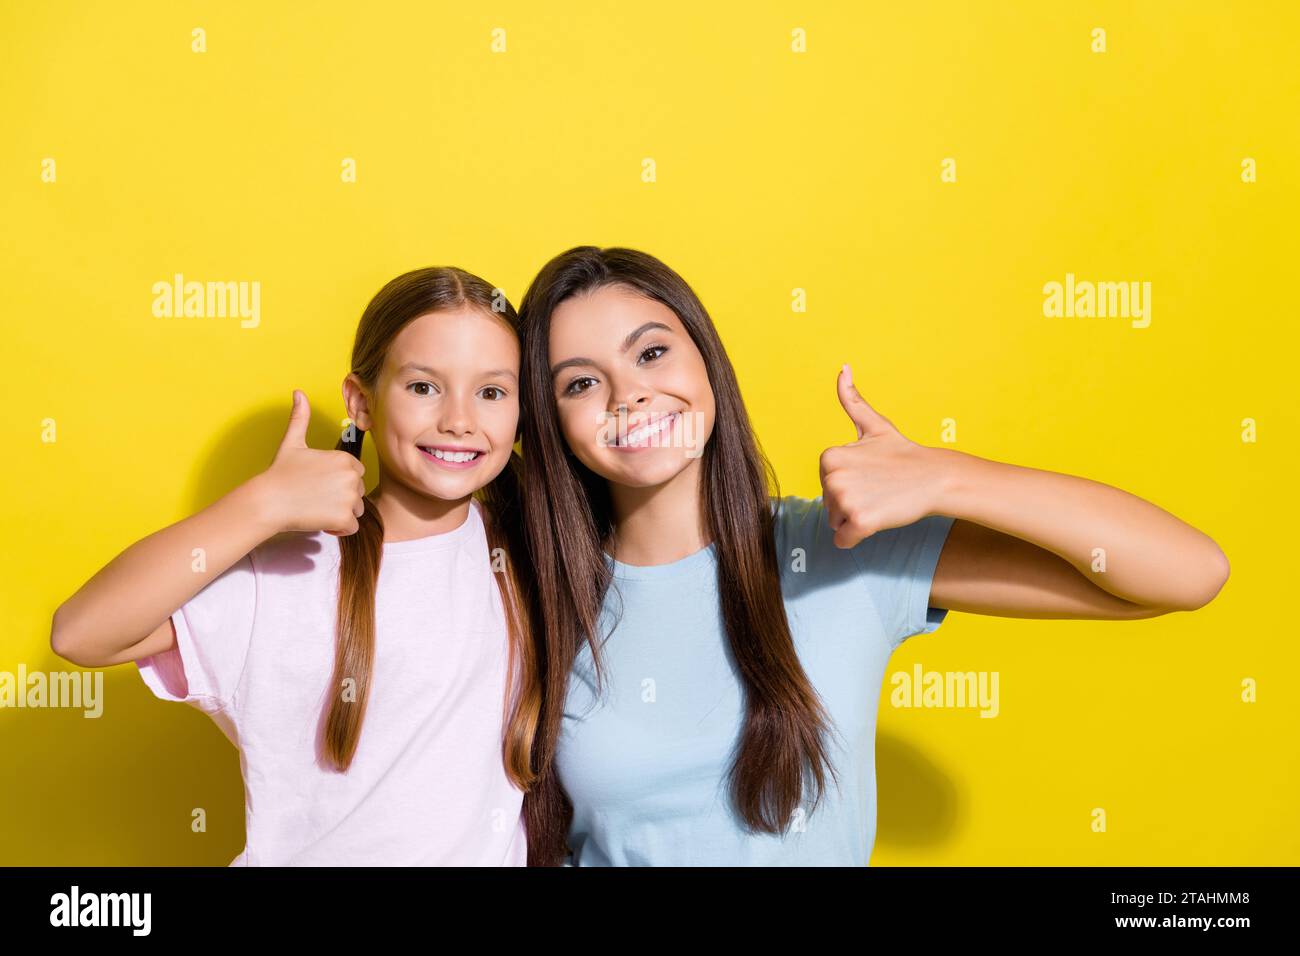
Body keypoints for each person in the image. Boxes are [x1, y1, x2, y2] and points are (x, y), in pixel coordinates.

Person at [516, 246, 1230, 866]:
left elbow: (1189, 571)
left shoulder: (838, 551)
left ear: (707, 361)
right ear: (553, 424)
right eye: (581, 382)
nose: (629, 392)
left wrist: (945, 476)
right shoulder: (530, 592)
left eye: (651, 351)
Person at [51, 266, 539, 865]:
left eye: (491, 392)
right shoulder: (292, 570)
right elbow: (80, 633)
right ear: (360, 402)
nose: (459, 420)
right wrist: (264, 504)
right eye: (423, 387)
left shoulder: (529, 560)